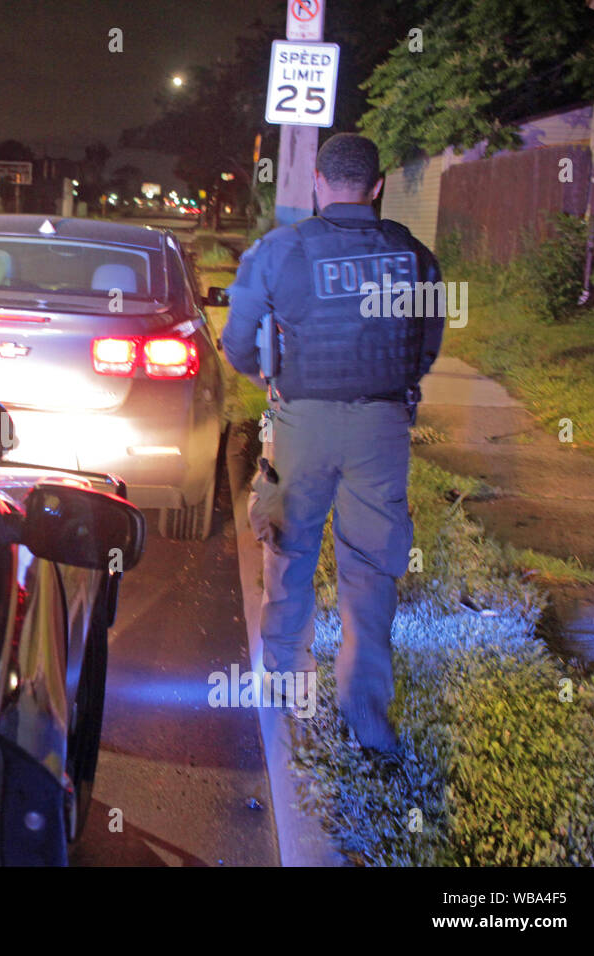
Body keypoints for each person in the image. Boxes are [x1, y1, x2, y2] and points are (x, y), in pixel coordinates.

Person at [220, 133, 444, 754]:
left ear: (317, 182)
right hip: (382, 427)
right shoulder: (413, 255)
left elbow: (237, 344)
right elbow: (427, 344)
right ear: (377, 188)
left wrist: (268, 377)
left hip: (302, 423)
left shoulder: (279, 250)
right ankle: (367, 711)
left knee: (289, 548)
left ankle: (287, 682)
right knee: (373, 570)